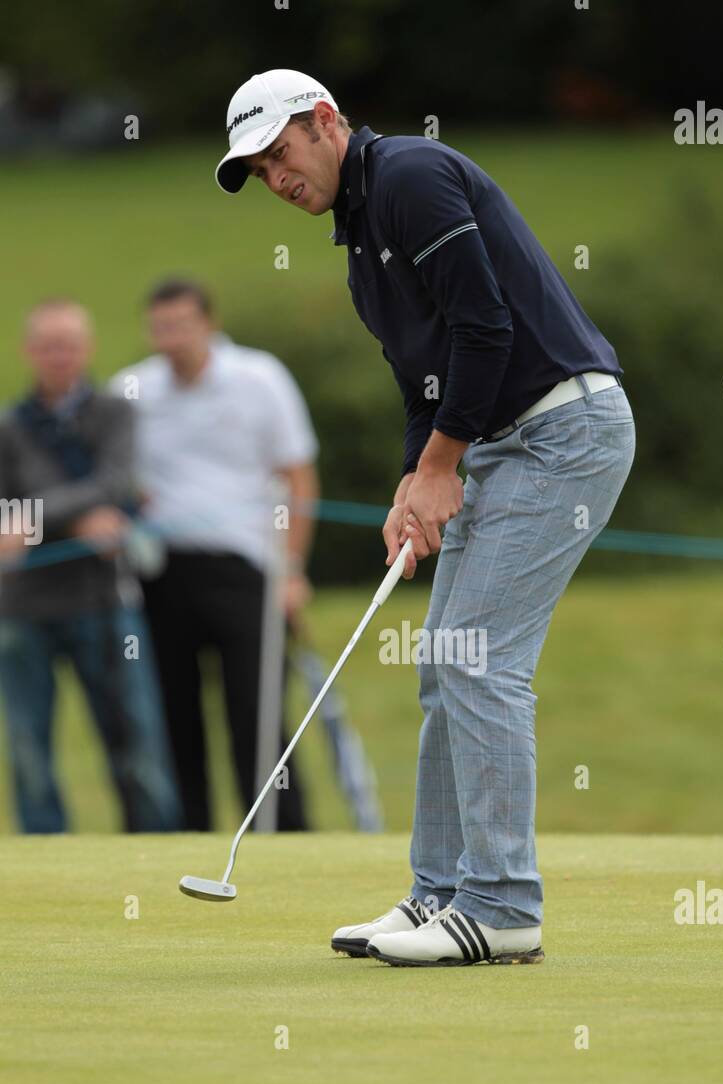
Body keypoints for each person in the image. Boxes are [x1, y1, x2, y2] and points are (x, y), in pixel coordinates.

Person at [214, 70, 635, 965]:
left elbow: (484, 326)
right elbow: (426, 380)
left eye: (280, 155)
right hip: (505, 444)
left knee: (478, 662)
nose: (277, 180)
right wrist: (416, 479)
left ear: (326, 122)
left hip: (567, 432)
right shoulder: (362, 242)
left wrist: (446, 465)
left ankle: (502, 905)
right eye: (258, 173)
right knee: (445, 665)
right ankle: (440, 893)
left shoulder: (408, 175)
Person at [111, 279, 319, 832]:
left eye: (181, 325)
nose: (171, 338)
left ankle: (283, 833)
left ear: (208, 323)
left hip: (245, 567)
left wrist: (292, 570)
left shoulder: (259, 377)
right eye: (160, 328)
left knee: (257, 712)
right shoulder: (132, 389)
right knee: (174, 714)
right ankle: (186, 833)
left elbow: (298, 476)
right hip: (159, 572)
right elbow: (109, 473)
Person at [0, 300, 181, 833]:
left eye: (70, 345)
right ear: (30, 351)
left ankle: (155, 849)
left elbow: (113, 484)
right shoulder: (9, 427)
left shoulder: (114, 411)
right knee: (29, 749)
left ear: (87, 349)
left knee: (136, 744)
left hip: (102, 600)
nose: (61, 356)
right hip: (23, 607)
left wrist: (38, 517)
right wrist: (80, 519)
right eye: (49, 345)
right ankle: (44, 855)